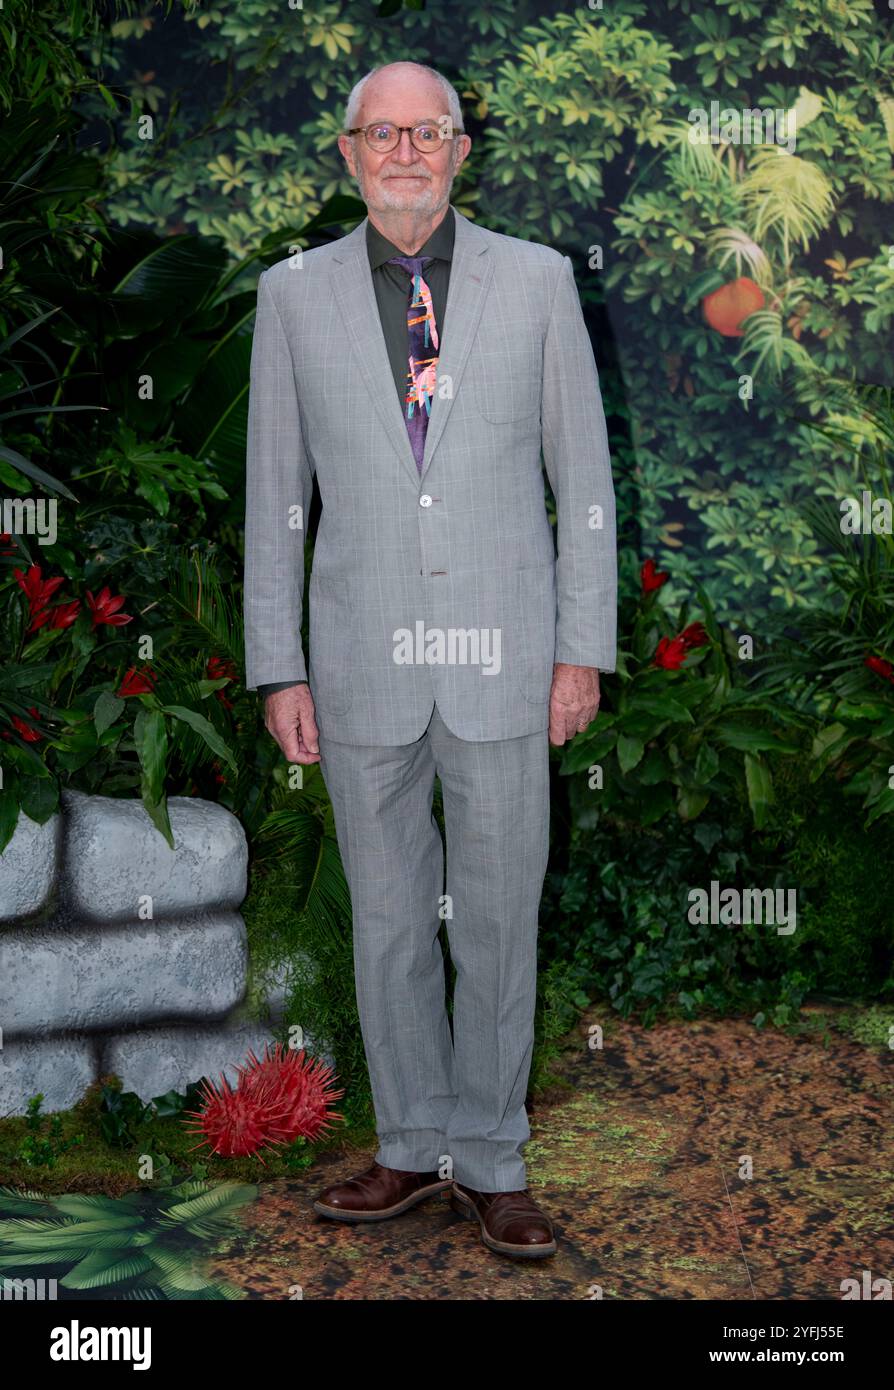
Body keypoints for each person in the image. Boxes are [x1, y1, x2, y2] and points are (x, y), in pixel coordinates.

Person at [243, 59, 616, 1260]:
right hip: (357, 667)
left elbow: (586, 487)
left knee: (499, 921)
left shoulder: (542, 285)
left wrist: (580, 650)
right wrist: (277, 665)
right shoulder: (291, 297)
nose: (405, 150)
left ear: (462, 150)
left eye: (428, 131)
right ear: (347, 154)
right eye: (381, 132)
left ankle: (494, 1159)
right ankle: (411, 1145)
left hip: (509, 663)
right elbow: (274, 505)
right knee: (392, 922)